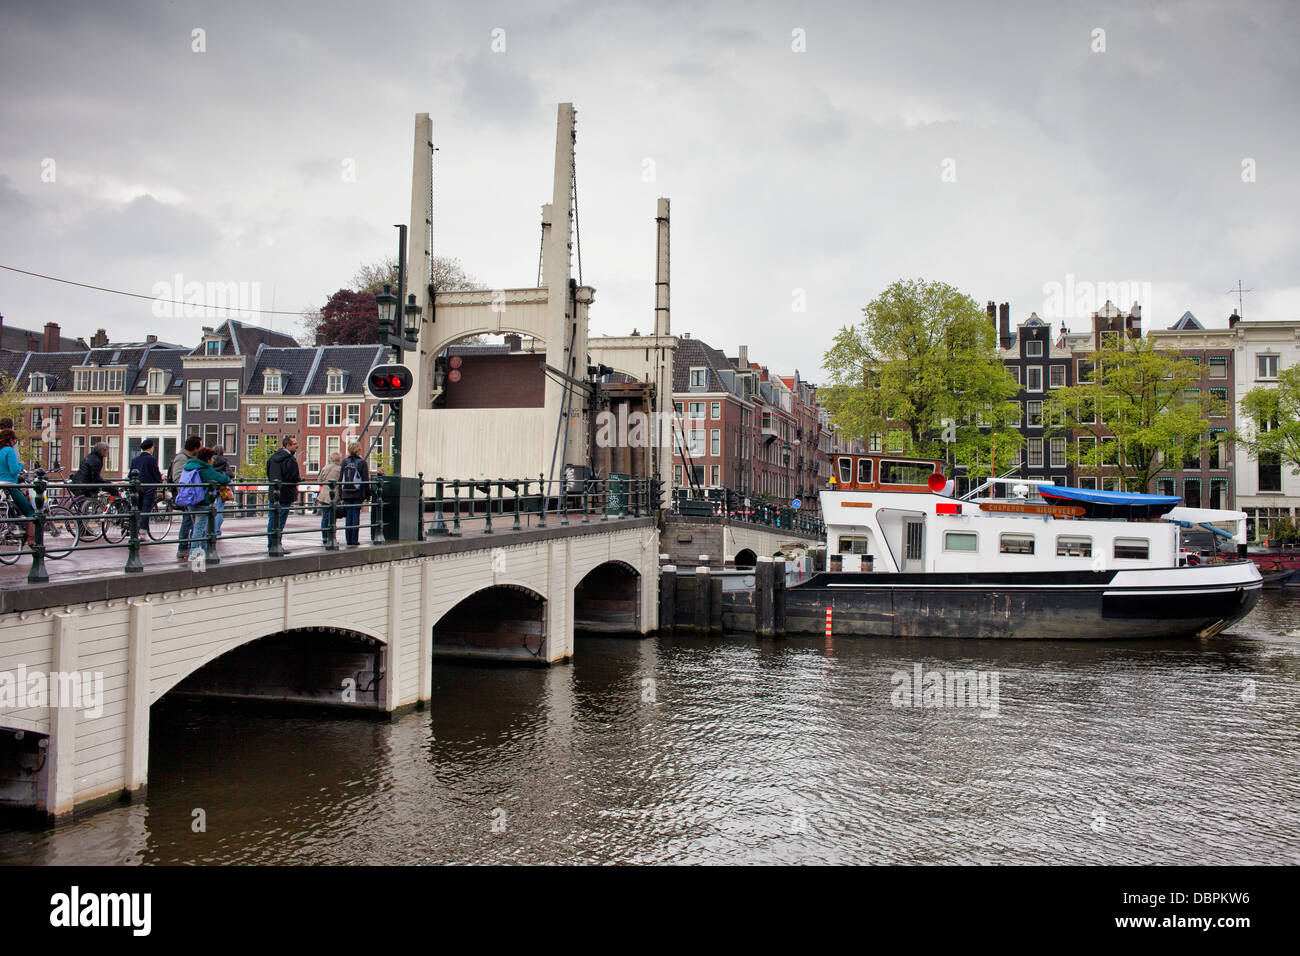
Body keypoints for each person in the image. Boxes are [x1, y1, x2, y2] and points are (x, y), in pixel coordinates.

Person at [178, 447, 231, 555]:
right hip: (202, 501)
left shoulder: (189, 466)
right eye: (211, 458)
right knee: (199, 528)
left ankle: (203, 550)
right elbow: (222, 478)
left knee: (197, 527)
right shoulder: (205, 468)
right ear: (207, 459)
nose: (212, 461)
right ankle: (194, 553)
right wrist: (226, 477)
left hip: (190, 500)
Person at [265, 435, 300, 551]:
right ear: (288, 445)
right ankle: (277, 545)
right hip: (285, 494)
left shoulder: (272, 457)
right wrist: (298, 480)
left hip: (273, 493)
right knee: (280, 521)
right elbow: (293, 477)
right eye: (295, 444)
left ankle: (271, 545)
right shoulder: (290, 459)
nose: (297, 446)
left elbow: (268, 473)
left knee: (272, 519)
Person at [0, 429, 35, 547]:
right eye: (14, 439)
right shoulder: (9, 451)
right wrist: (21, 464)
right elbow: (14, 470)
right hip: (10, 486)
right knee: (30, 512)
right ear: (10, 440)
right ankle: (32, 540)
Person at [173, 435, 203, 561]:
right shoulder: (181, 458)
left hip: (191, 496)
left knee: (189, 522)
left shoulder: (191, 458)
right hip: (188, 496)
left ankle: (187, 547)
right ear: (195, 448)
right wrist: (186, 493)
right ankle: (183, 548)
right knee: (187, 522)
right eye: (200, 446)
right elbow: (178, 478)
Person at [339, 441, 372, 547]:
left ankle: (348, 539)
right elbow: (365, 480)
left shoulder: (344, 462)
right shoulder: (362, 462)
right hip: (357, 493)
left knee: (348, 516)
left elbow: (340, 479)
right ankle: (354, 540)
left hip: (346, 492)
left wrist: (341, 494)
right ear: (358, 450)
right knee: (356, 515)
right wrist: (367, 495)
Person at [128, 439, 164, 535]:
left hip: (137, 488)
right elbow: (155, 474)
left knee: (137, 509)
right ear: (151, 448)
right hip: (148, 488)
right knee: (146, 509)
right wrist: (161, 479)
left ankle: (134, 531)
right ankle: (143, 533)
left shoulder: (135, 459)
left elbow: (130, 475)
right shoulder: (151, 459)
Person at [317, 450, 342, 545]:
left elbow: (319, 481)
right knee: (332, 517)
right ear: (339, 459)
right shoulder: (340, 469)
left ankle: (324, 537)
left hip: (324, 495)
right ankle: (332, 537)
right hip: (334, 495)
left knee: (325, 517)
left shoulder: (325, 467)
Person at [211, 444, 233, 537]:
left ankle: (209, 531)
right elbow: (230, 474)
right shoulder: (224, 461)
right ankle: (216, 531)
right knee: (220, 509)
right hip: (221, 487)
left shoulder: (210, 460)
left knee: (209, 508)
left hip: (211, 486)